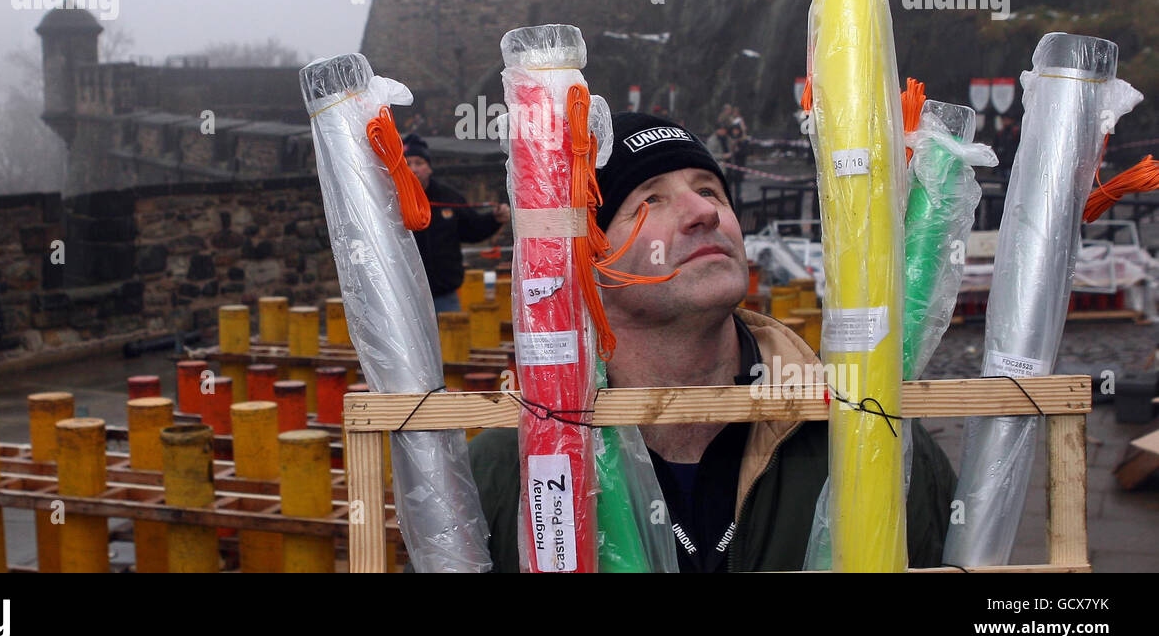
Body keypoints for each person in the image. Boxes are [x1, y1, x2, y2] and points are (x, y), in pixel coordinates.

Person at [468, 113, 956, 572]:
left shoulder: (866, 432)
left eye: (711, 192)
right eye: (649, 200)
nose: (704, 212)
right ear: (588, 260)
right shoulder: (515, 465)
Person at [404, 134, 510, 314]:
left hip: (445, 296)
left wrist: (494, 219)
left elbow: (472, 229)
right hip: (406, 297)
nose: (413, 169)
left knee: (451, 340)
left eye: (419, 162)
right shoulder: (391, 200)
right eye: (408, 163)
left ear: (429, 168)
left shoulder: (448, 197)